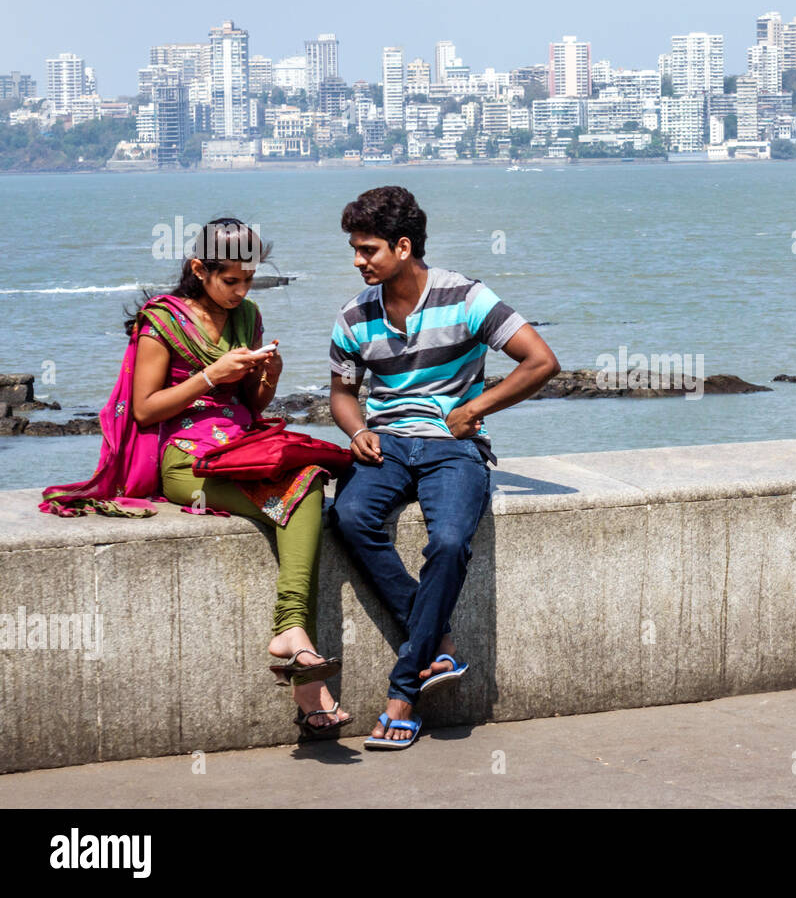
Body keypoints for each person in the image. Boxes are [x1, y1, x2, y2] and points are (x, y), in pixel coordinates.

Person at [44, 218, 350, 740]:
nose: (242, 291)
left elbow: (250, 406)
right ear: (198, 270)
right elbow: (143, 410)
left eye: (249, 279)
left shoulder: (248, 316)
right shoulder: (160, 322)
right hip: (185, 462)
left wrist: (265, 378)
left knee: (307, 483)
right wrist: (210, 376)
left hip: (240, 447)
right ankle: (300, 664)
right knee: (298, 498)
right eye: (230, 280)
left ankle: (294, 641)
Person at [327, 186, 559, 750]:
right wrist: (357, 431)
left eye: (368, 250)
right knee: (350, 518)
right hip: (385, 445)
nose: (358, 260)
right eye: (355, 249)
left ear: (403, 247)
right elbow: (341, 394)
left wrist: (474, 409)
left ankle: (403, 692)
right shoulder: (355, 315)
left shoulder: (467, 296)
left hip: (452, 448)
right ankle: (435, 640)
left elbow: (542, 361)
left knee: (451, 541)